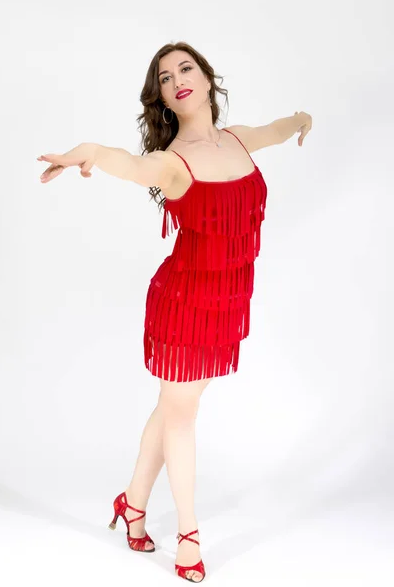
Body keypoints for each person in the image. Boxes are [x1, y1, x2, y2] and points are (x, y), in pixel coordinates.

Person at [37, 42, 312, 582]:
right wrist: (90, 149)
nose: (177, 79)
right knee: (182, 414)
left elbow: (278, 129)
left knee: (171, 407)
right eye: (165, 77)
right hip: (183, 302)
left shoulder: (239, 140)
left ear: (208, 79)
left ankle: (133, 505)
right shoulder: (172, 162)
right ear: (161, 98)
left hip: (226, 301)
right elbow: (129, 163)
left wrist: (304, 118)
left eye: (186, 68)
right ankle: (189, 535)